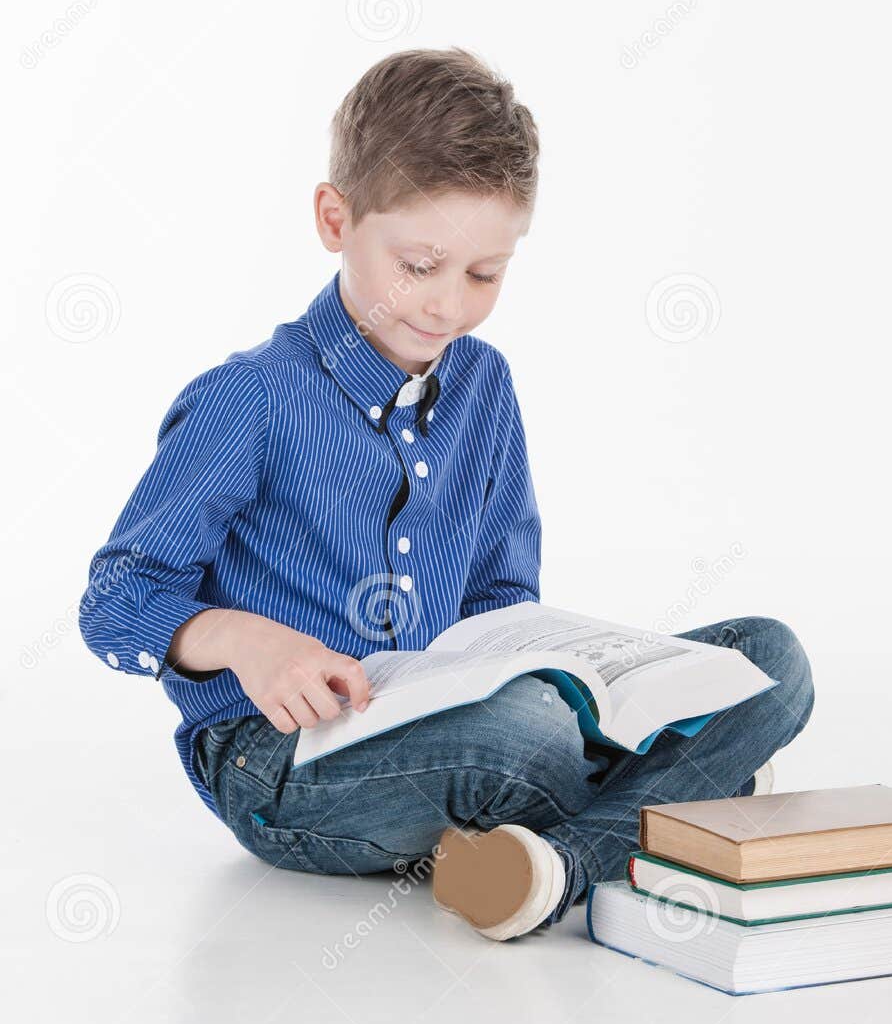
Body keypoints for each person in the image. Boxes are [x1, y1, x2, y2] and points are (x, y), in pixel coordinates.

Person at [78, 47, 814, 940]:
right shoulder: (252, 398)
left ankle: (557, 862)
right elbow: (115, 599)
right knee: (528, 737)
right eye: (418, 265)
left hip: (457, 707)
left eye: (483, 274)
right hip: (281, 758)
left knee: (766, 659)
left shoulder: (484, 386)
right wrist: (245, 641)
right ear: (335, 219)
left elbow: (501, 598)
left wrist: (571, 670)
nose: (447, 307)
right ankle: (683, 794)